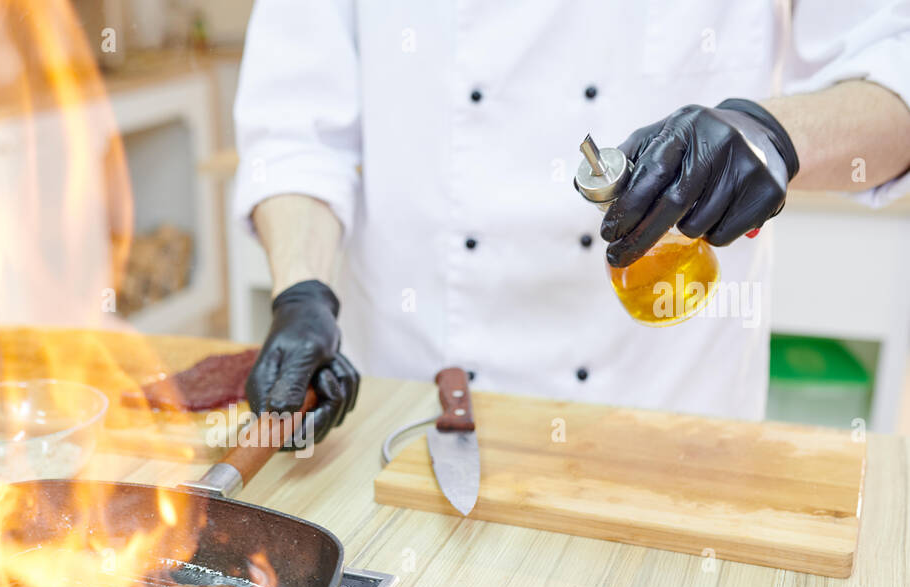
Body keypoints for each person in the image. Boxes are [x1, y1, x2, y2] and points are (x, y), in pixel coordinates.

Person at [233, 0, 910, 443]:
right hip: (416, 407)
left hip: (668, 413)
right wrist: (302, 295)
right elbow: (297, 128)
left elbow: (894, 77)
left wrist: (769, 134)